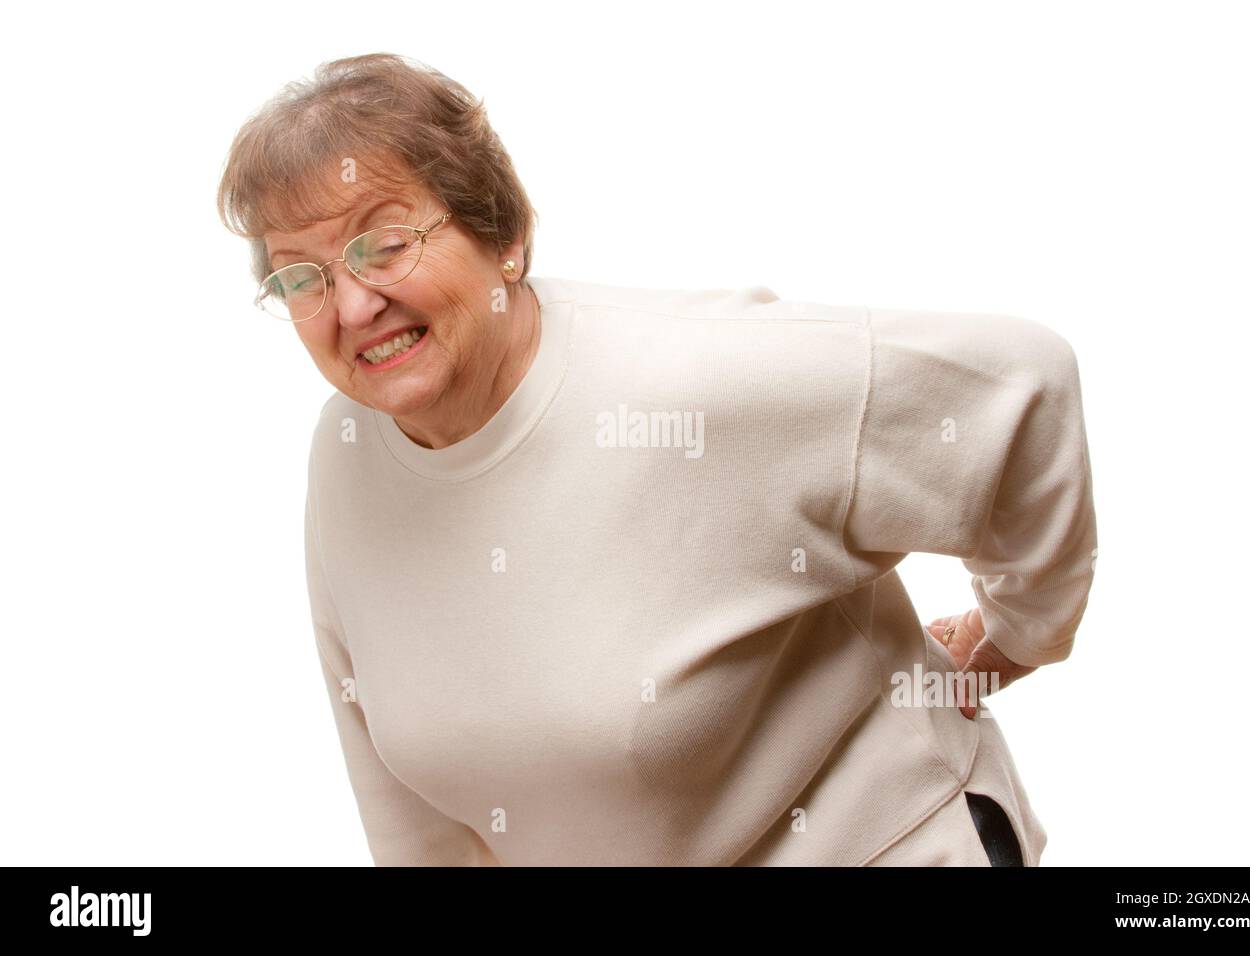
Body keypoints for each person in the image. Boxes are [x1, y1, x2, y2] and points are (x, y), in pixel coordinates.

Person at [216, 52, 1097, 867]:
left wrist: (1014, 637)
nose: (354, 303)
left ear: (505, 236)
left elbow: (1023, 383)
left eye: (386, 243)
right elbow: (393, 785)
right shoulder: (345, 457)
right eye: (302, 276)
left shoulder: (693, 385)